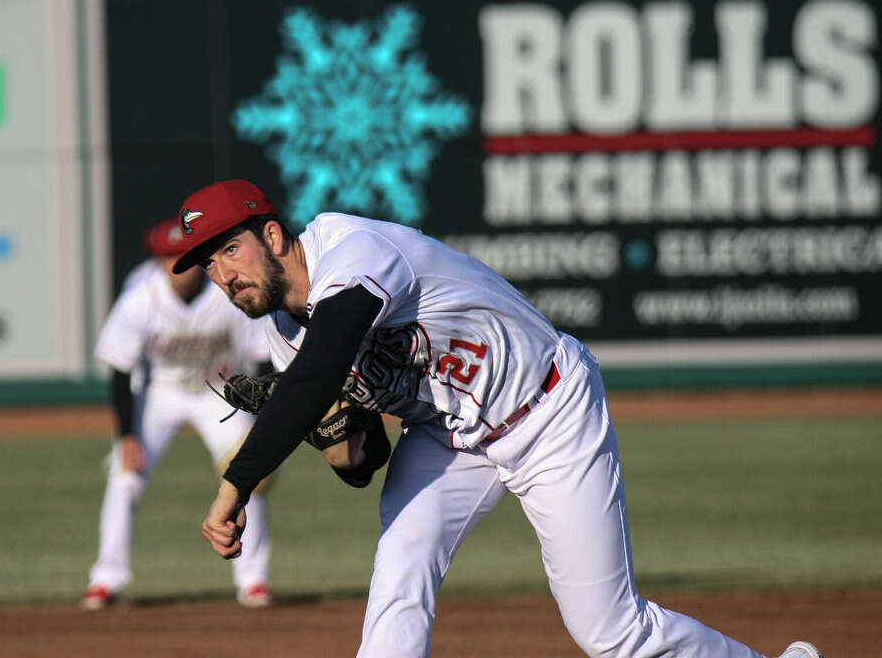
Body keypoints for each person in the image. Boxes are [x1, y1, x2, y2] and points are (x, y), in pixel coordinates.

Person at [172, 179, 822, 658]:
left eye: (229, 250)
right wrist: (337, 435)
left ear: (273, 235)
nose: (222, 275)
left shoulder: (354, 250)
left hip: (548, 410)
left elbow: (315, 378)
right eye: (208, 264)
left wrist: (238, 482)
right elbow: (362, 460)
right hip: (450, 436)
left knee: (611, 632)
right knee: (400, 576)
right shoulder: (286, 332)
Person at [81, 217, 275, 610]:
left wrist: (263, 428)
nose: (174, 264)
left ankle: (253, 579)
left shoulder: (230, 289)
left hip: (221, 392)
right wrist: (127, 437)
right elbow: (120, 370)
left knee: (247, 471)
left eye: (181, 256)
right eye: (166, 256)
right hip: (160, 395)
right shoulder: (141, 297)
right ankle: (106, 579)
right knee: (124, 474)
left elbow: (261, 360)